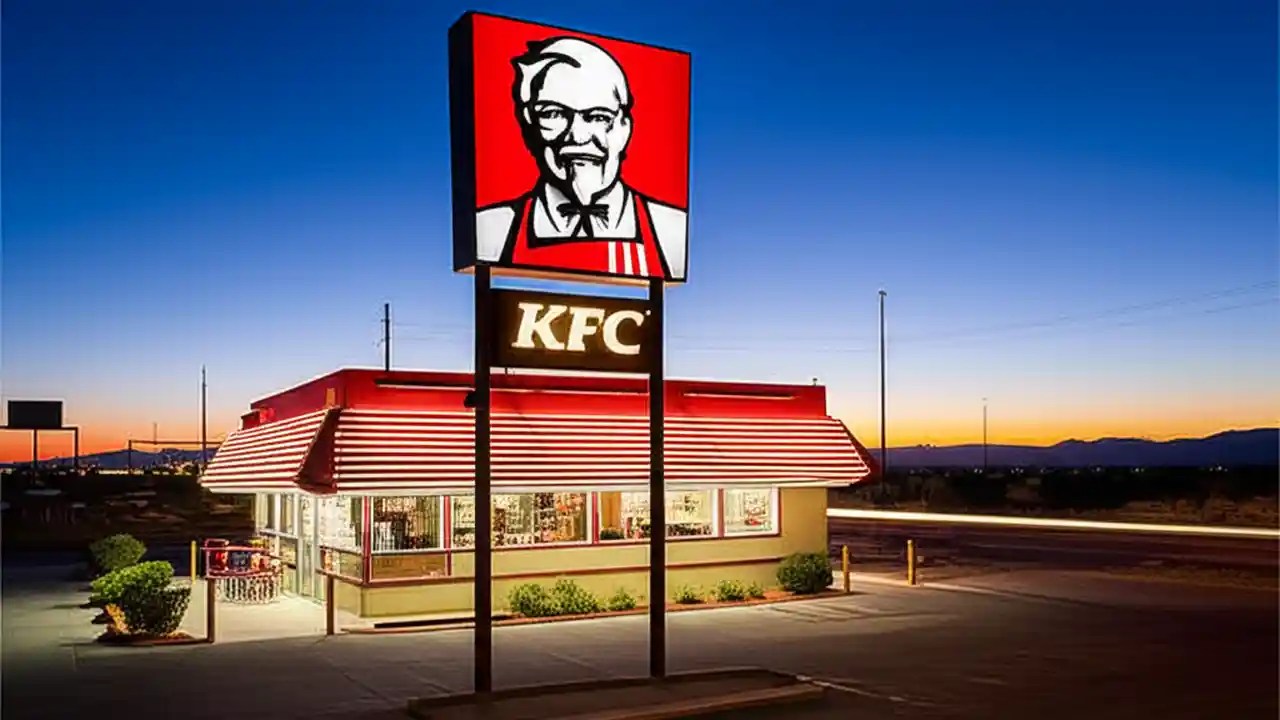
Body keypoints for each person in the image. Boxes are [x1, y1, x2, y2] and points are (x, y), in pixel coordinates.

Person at [475, 36, 687, 281]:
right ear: (529, 123)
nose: (578, 136)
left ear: (624, 128)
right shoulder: (494, 230)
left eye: (598, 117)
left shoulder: (668, 230)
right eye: (553, 114)